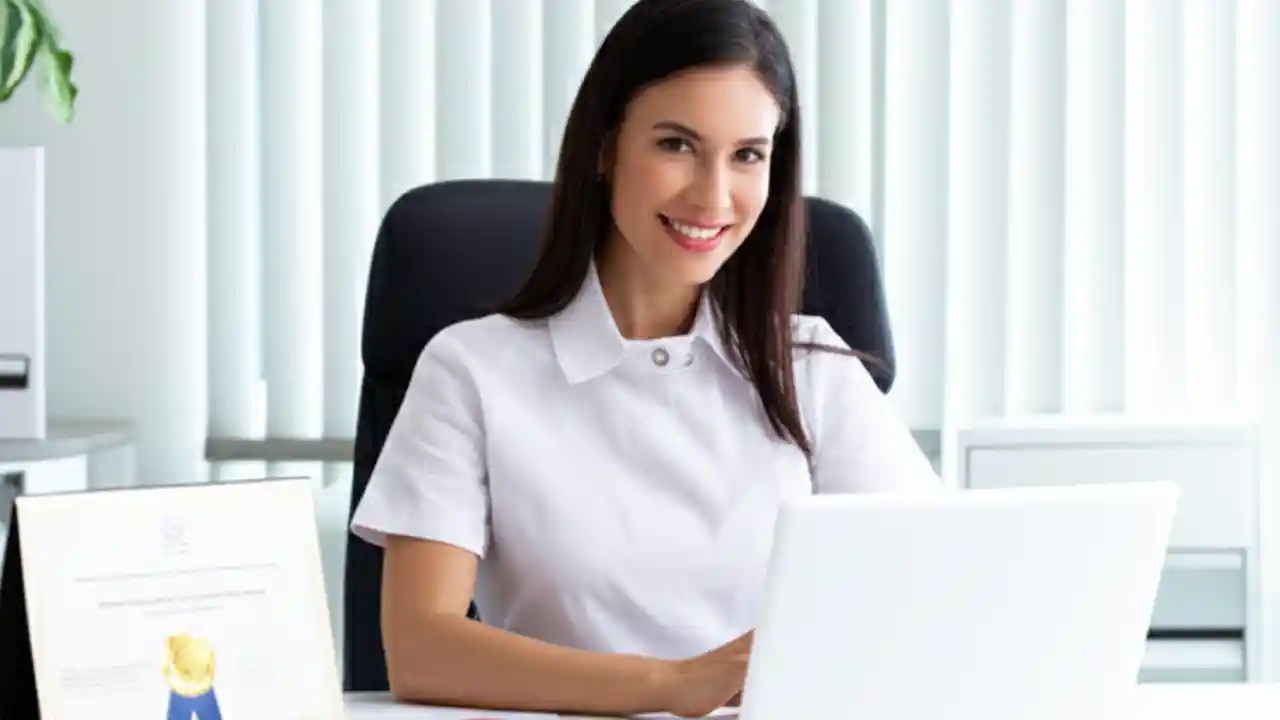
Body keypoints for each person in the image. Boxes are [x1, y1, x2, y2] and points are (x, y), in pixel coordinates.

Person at [350, 0, 940, 716]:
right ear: (605, 145)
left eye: (747, 155)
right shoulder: (472, 369)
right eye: (676, 145)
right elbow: (422, 648)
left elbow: (938, 588)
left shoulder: (814, 368)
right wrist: (672, 685)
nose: (713, 196)